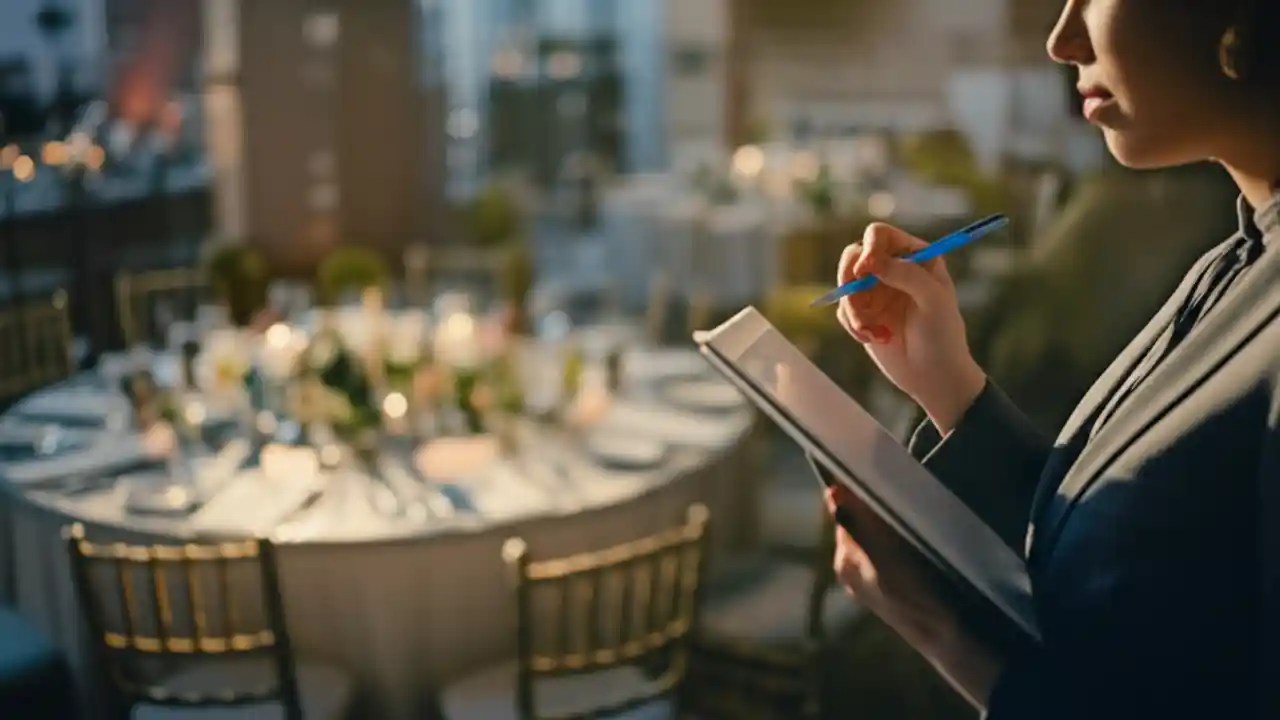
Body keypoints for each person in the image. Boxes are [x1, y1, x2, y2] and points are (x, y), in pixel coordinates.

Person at [824, 1, 1280, 717]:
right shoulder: (1235, 260)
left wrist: (941, 632)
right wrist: (948, 384)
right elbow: (1141, 548)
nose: (1061, 41)